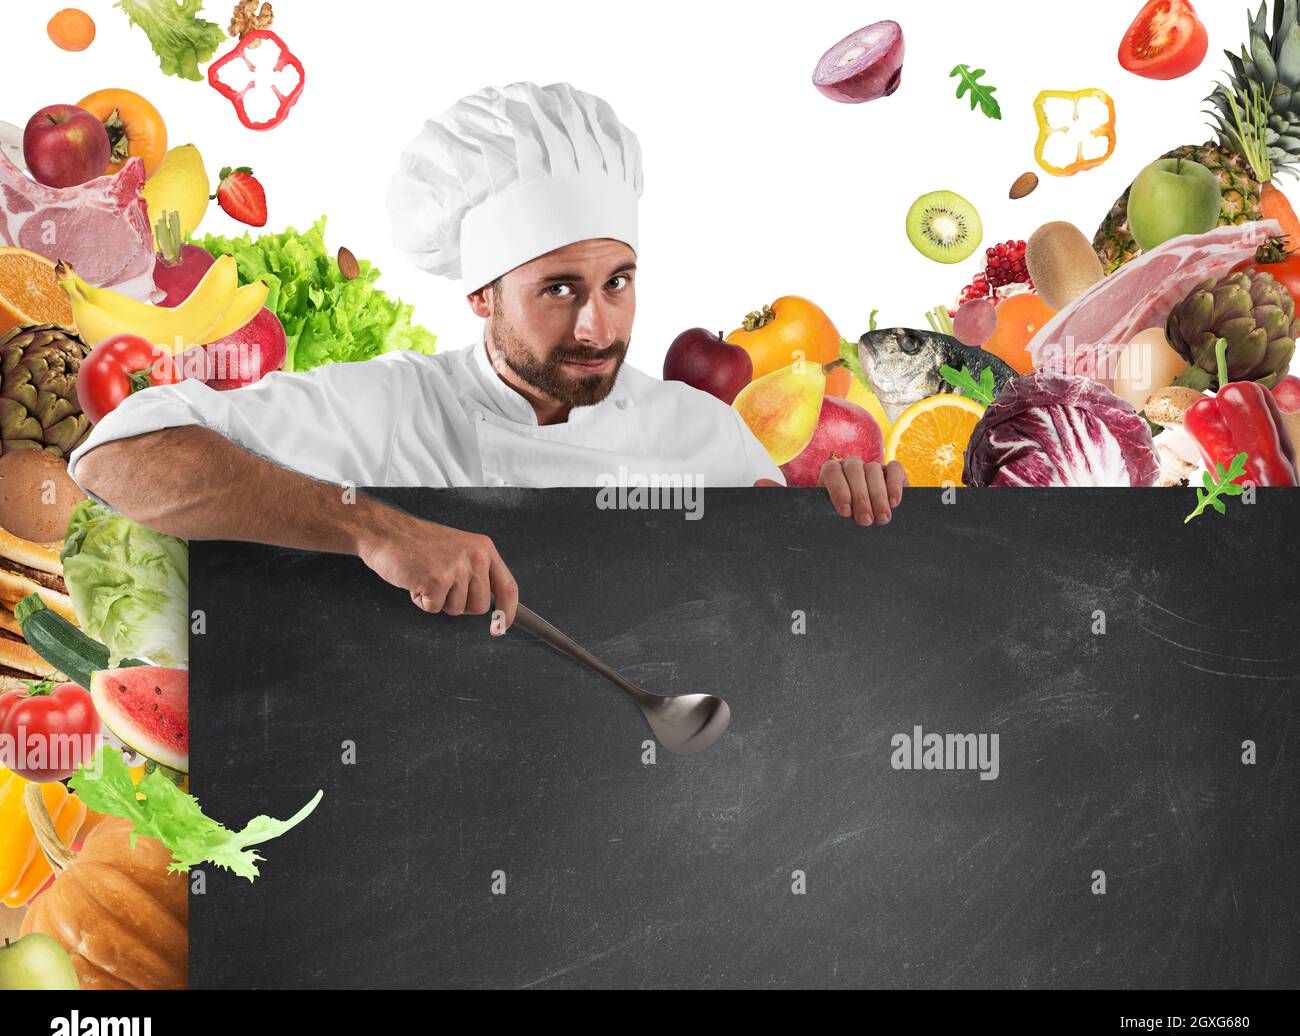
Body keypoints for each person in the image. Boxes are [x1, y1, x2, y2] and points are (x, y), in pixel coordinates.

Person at [70, 83, 906, 630]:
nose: (596, 327)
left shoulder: (703, 437)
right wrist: (370, 526)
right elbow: (117, 457)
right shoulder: (383, 411)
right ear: (479, 294)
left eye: (618, 281)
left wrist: (849, 525)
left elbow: (800, 619)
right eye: (558, 290)